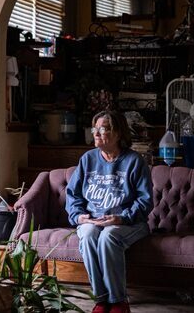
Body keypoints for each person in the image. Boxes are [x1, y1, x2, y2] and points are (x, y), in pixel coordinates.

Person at [65, 110, 153, 313]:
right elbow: (73, 194)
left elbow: (144, 201)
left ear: (118, 133)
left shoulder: (134, 161)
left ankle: (119, 301)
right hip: (93, 220)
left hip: (129, 223)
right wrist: (79, 216)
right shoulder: (87, 159)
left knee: (108, 237)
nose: (96, 133)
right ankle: (101, 300)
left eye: (102, 129)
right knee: (87, 235)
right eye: (94, 128)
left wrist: (121, 219)